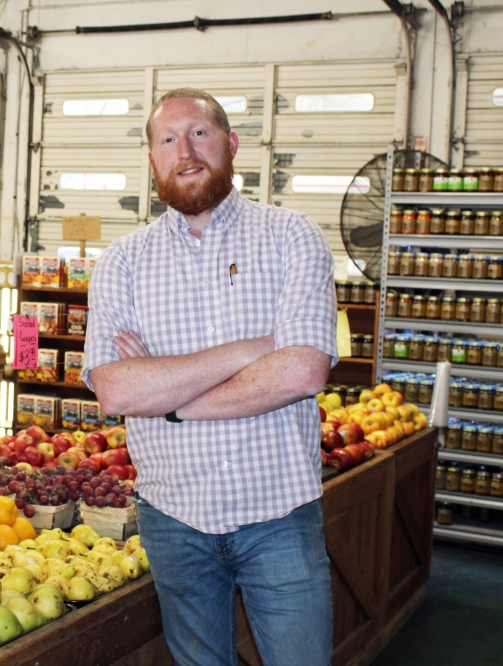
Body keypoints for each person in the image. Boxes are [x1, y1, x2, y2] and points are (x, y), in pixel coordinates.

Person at [81, 88, 337, 666]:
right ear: (153, 160)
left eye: (200, 133)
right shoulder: (123, 261)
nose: (185, 150)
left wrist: (169, 399)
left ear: (231, 144)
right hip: (174, 520)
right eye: (168, 139)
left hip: (280, 513)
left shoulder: (292, 236)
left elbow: (301, 370)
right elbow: (117, 391)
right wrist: (255, 348)